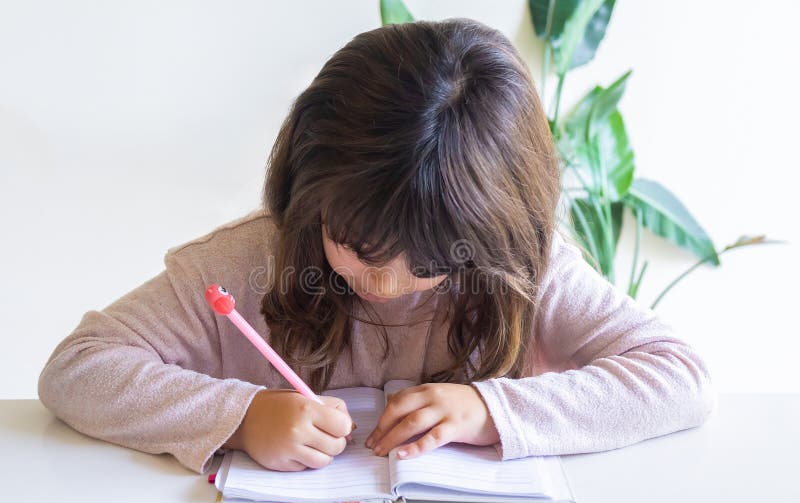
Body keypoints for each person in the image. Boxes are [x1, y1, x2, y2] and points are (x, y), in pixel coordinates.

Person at [38, 18, 716, 475]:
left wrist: (492, 409)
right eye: (357, 244)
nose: (385, 284)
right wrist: (241, 417)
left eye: (427, 264)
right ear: (311, 192)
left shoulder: (517, 271)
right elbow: (76, 369)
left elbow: (681, 378)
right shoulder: (259, 260)